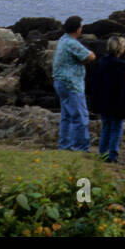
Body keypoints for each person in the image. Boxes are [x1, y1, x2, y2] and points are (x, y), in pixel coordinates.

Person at [52, 16, 95, 152]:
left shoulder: (63, 40)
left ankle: (65, 145)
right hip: (72, 84)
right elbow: (90, 56)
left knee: (67, 116)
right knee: (80, 116)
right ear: (77, 29)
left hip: (60, 81)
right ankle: (81, 146)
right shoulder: (71, 43)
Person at [94, 36, 125, 163]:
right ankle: (113, 155)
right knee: (116, 127)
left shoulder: (101, 62)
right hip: (116, 100)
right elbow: (123, 87)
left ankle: (103, 153)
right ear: (120, 49)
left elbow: (95, 83)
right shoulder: (121, 65)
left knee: (106, 126)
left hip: (103, 99)